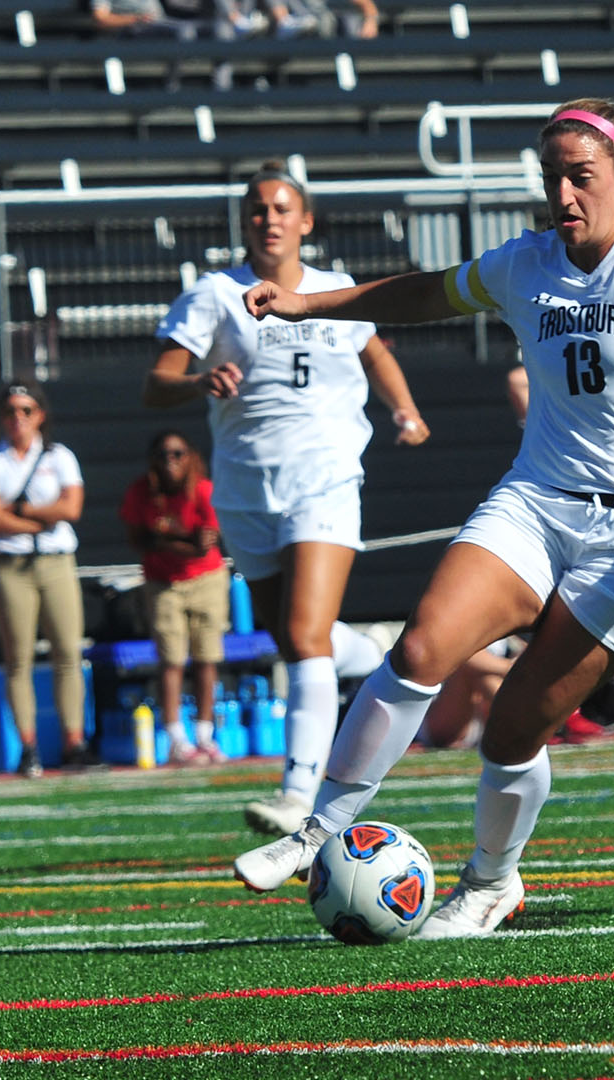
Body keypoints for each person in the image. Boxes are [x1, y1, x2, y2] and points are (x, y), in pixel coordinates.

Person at [230, 98, 614, 937]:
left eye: (581, 176)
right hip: (538, 499)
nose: (563, 194)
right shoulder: (526, 263)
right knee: (420, 649)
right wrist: (311, 305)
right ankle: (317, 830)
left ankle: (493, 883)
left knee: (513, 724)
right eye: (551, 178)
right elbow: (426, 293)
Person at [143, 160, 428, 836]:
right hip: (246, 487)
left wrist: (405, 411)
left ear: (305, 220)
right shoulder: (212, 294)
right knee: (296, 637)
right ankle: (395, 660)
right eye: (257, 209)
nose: (269, 218)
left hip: (324, 475)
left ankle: (301, 794)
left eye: (281, 207)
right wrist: (197, 382)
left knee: (302, 637)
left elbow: (375, 350)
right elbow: (156, 384)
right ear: (245, 223)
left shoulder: (337, 290)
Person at [0, 380, 96, 778]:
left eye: (26, 410)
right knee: (18, 657)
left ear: (40, 414)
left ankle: (74, 742)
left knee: (67, 653)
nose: (18, 419)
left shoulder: (60, 456)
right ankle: (28, 747)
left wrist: (19, 511)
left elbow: (72, 507)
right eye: (10, 411)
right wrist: (42, 514)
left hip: (56, 561)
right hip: (12, 566)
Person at [121, 430, 232, 765]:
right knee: (171, 659)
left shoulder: (203, 490)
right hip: (162, 582)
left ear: (191, 457)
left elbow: (205, 545)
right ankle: (175, 738)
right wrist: (176, 540)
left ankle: (204, 734)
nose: (171, 462)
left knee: (207, 657)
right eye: (163, 455)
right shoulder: (142, 493)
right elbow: (140, 540)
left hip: (206, 578)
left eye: (178, 454)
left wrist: (165, 537)